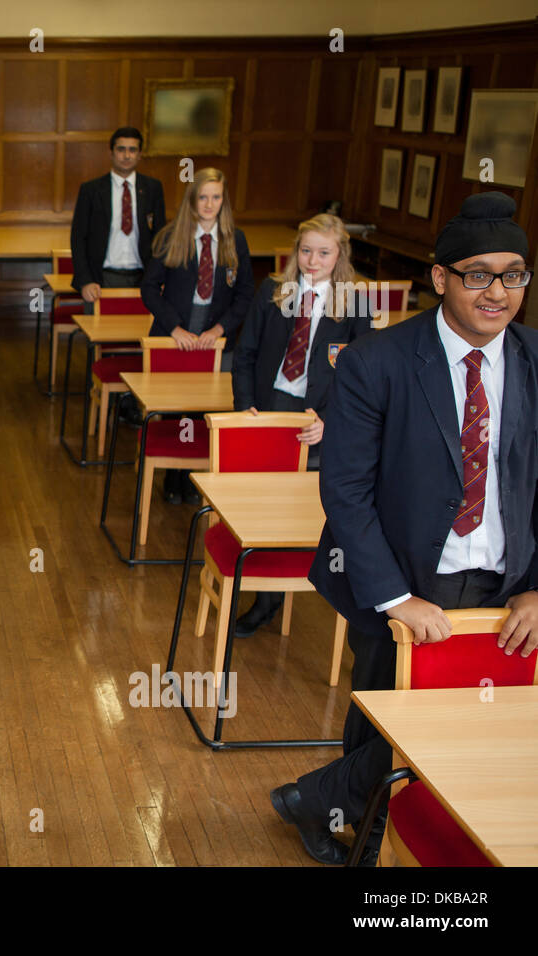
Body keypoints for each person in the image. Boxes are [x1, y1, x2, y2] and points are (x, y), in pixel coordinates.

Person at [271, 192, 538, 865]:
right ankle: (353, 830)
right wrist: (394, 597)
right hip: (403, 578)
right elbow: (347, 490)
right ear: (441, 277)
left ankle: (321, 803)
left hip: (508, 583)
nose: (498, 291)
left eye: (513, 274)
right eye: (479, 274)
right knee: (386, 710)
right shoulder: (378, 361)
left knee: (477, 725)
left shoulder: (536, 361)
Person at [230, 214, 373, 637]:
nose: (313, 260)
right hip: (271, 405)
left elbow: (363, 377)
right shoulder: (274, 291)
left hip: (320, 416)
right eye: (306, 250)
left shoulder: (355, 300)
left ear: (339, 255)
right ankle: (265, 596)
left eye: (323, 253)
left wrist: (330, 421)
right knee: (264, 500)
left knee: (300, 506)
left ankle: (298, 587)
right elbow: (245, 355)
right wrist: (245, 408)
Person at [140, 167, 254, 503]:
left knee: (208, 407)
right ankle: (173, 477)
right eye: (202, 197)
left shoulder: (237, 239)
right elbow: (149, 288)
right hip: (176, 330)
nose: (209, 204)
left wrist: (219, 330)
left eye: (215, 197)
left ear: (224, 200)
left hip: (216, 334)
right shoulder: (171, 236)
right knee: (178, 407)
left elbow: (246, 292)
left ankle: (196, 479)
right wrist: (175, 328)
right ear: (192, 200)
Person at [69, 126, 166, 300]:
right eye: (121, 149)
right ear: (111, 153)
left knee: (140, 328)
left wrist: (160, 278)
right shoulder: (91, 190)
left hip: (143, 278)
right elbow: (78, 238)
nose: (127, 155)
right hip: (100, 280)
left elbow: (161, 237)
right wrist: (85, 281)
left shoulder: (153, 188)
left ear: (139, 154)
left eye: (132, 150)